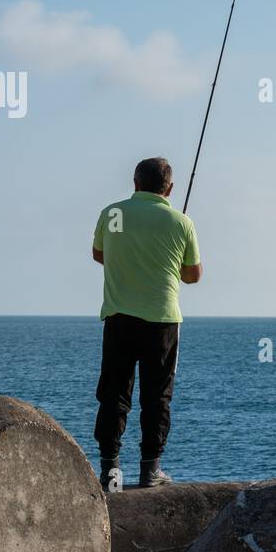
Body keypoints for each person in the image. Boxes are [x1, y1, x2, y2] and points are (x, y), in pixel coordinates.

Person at [91, 157, 202, 490]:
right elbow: (193, 275)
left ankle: (110, 472)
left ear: (135, 183)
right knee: (157, 398)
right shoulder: (181, 222)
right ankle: (150, 471)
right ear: (169, 189)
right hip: (162, 322)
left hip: (119, 317)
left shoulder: (113, 214)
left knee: (113, 395)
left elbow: (100, 254)